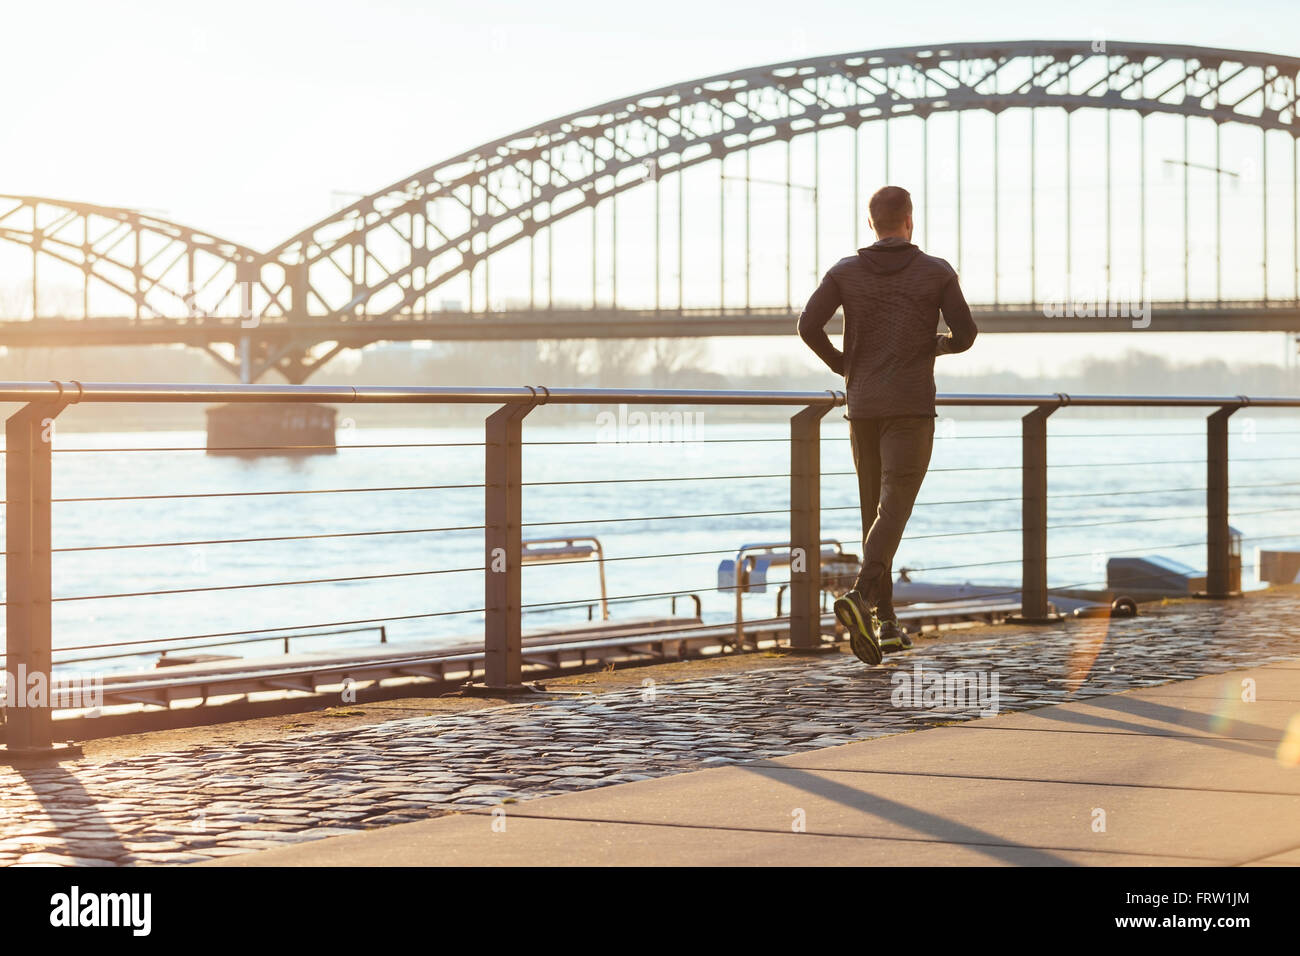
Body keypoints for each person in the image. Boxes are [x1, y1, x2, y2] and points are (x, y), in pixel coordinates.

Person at [797, 185, 977, 665]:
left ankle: (886, 624)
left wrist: (844, 368)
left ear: (870, 223)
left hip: (863, 406)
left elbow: (807, 326)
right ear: (910, 220)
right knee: (895, 505)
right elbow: (967, 335)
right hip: (911, 406)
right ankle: (860, 597)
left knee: (874, 513)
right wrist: (937, 344)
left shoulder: (845, 272)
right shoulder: (936, 272)